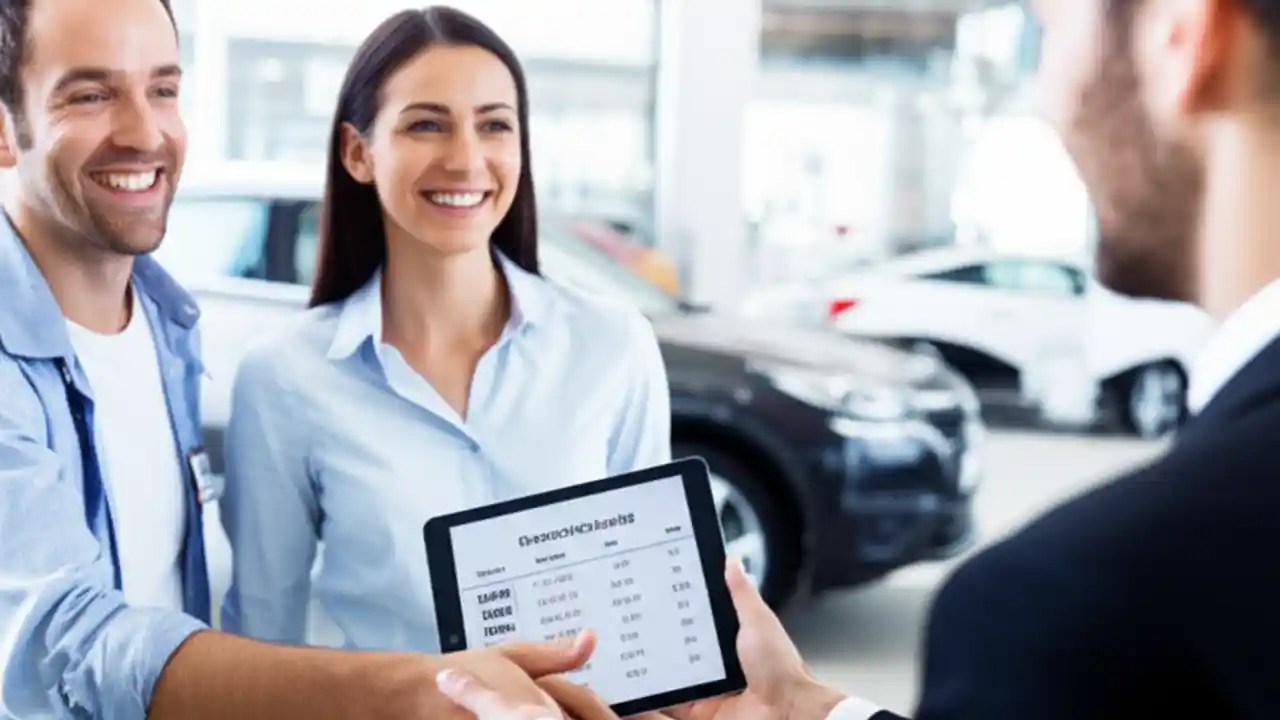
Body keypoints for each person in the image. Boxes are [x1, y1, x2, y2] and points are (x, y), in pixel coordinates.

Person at [437, 0, 1280, 716]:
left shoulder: (1082, 616)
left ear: (1182, 37)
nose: (1044, 96)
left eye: (1050, 26)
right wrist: (808, 710)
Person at [0, 0, 595, 717]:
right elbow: (70, 642)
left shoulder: (168, 332)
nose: (144, 130)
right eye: (90, 95)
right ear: (6, 129)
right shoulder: (280, 373)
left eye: (163, 89)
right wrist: (431, 689)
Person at [219, 5, 670, 653]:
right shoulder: (286, 377)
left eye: (494, 126)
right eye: (426, 125)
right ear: (358, 153)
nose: (466, 160)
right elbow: (263, 631)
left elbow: (647, 600)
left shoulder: (612, 344)